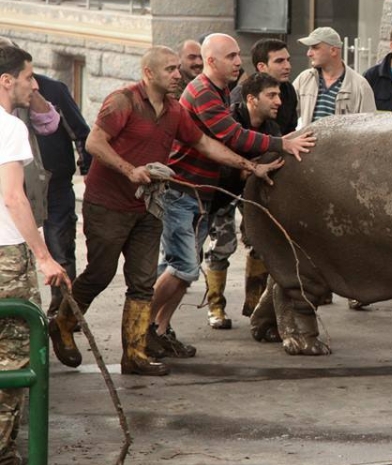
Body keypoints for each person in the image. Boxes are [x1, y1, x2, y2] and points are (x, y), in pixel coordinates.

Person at [46, 46, 288, 377]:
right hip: (108, 204)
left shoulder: (174, 110)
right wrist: (130, 170)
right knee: (100, 273)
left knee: (143, 282)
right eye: (170, 70)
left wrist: (250, 167)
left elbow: (204, 143)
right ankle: (62, 324)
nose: (178, 75)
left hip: (149, 205)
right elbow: (94, 143)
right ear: (149, 73)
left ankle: (135, 354)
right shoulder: (123, 101)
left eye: (178, 69)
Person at [151, 34, 315, 357]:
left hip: (201, 195)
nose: (239, 61)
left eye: (238, 55)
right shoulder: (201, 92)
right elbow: (232, 135)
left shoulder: (223, 90)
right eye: (231, 56)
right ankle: (140, 327)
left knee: (184, 270)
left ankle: (158, 330)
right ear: (211, 62)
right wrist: (283, 144)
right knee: (182, 267)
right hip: (182, 193)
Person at [0, 45, 70, 465]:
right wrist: (43, 257)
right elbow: (11, 196)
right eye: (27, 76)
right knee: (14, 357)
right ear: (6, 81)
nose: (34, 84)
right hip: (6, 254)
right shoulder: (7, 127)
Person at [204, 39, 300, 328]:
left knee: (260, 244)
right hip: (222, 192)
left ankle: (253, 303)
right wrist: (246, 171)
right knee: (221, 246)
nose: (278, 102)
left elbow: (284, 139)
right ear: (251, 99)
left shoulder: (273, 126)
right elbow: (222, 157)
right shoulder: (231, 114)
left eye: (279, 96)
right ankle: (215, 307)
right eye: (271, 96)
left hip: (253, 195)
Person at [35, 72, 92, 318]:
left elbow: (81, 132)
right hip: (14, 187)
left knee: (60, 249)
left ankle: (64, 313)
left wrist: (88, 171)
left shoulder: (53, 90)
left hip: (55, 182)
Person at [293, 27, 375, 128]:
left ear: (333, 51)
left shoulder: (360, 86)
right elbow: (286, 114)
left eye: (315, 47)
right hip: (309, 143)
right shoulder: (304, 79)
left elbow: (369, 128)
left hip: (343, 143)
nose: (309, 53)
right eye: (309, 48)